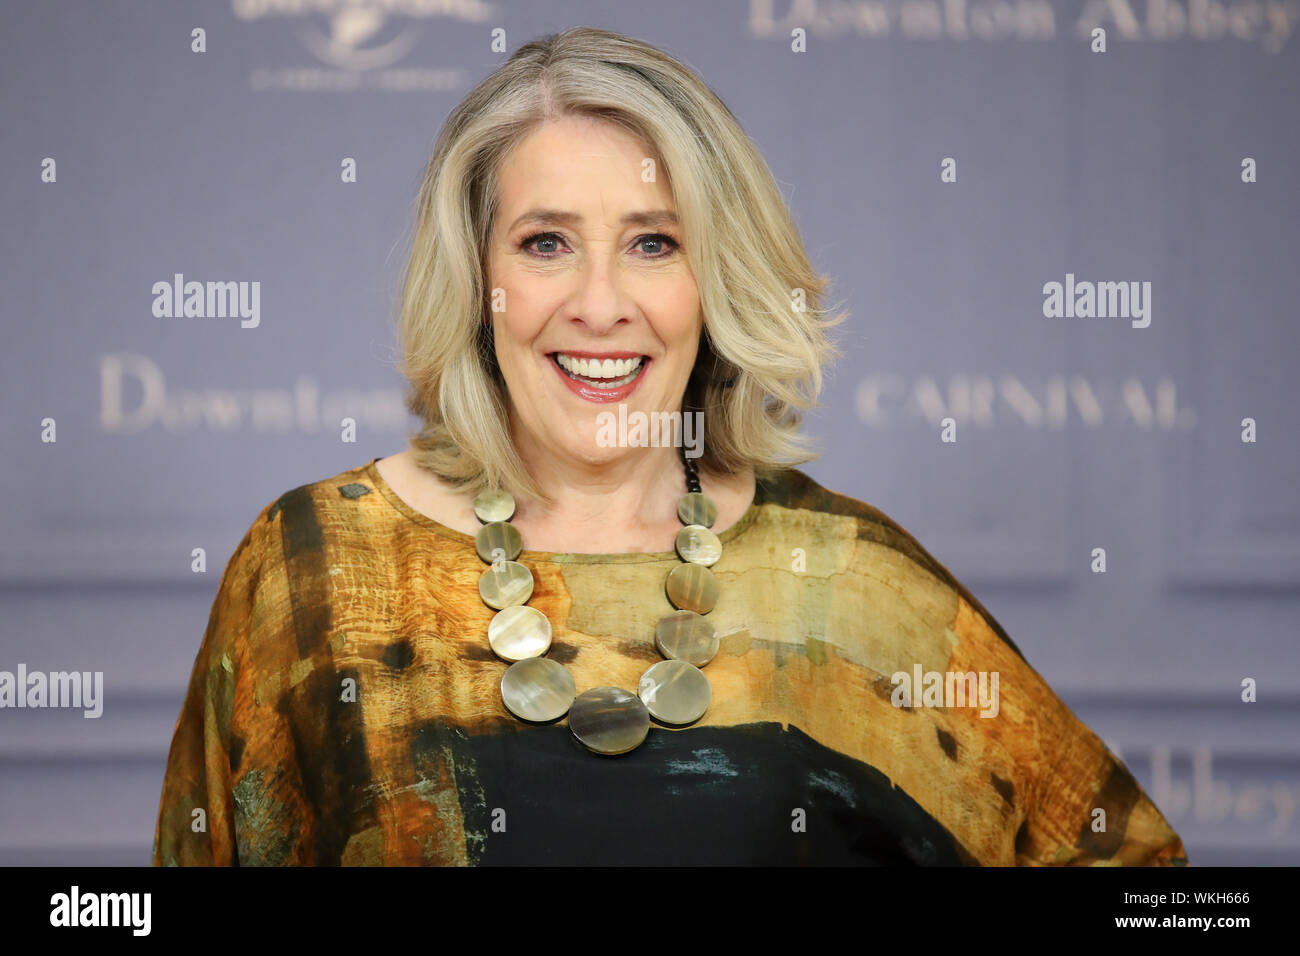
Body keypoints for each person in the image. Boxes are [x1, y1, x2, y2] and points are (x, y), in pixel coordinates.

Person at [152, 26, 1186, 866]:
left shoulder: (844, 583)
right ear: (478, 283)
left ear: (715, 281)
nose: (599, 304)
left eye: (654, 242)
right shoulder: (311, 571)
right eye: (545, 242)